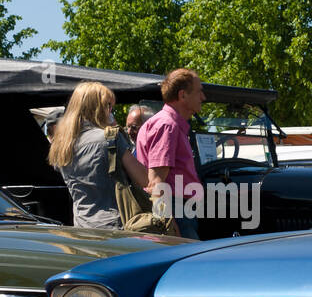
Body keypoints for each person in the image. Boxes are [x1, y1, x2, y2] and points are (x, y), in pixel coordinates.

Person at [45, 81, 151, 229]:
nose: (110, 111)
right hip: (116, 227)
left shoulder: (61, 147)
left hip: (82, 227)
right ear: (97, 108)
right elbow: (144, 179)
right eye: (108, 106)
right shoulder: (110, 138)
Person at [134, 68, 206, 238]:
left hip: (179, 210)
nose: (203, 98)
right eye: (199, 92)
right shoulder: (167, 125)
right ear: (182, 95)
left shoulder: (167, 124)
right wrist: (170, 225)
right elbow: (156, 182)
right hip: (177, 213)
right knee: (189, 263)